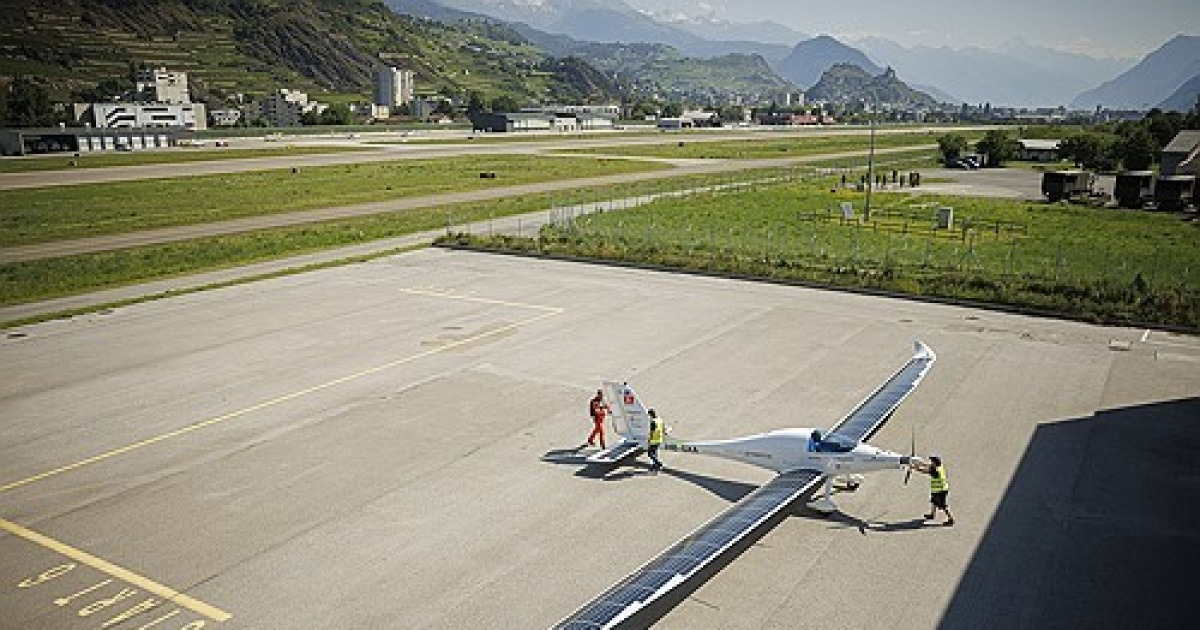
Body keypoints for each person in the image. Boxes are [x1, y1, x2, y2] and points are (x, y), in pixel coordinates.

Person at [911, 455, 955, 526]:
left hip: (940, 491)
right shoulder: (939, 466)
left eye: (932, 461)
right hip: (938, 490)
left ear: (935, 463)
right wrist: (919, 463)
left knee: (943, 506)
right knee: (933, 501)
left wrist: (914, 467)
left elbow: (924, 471)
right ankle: (932, 514)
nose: (930, 463)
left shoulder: (935, 471)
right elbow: (927, 465)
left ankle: (951, 519)